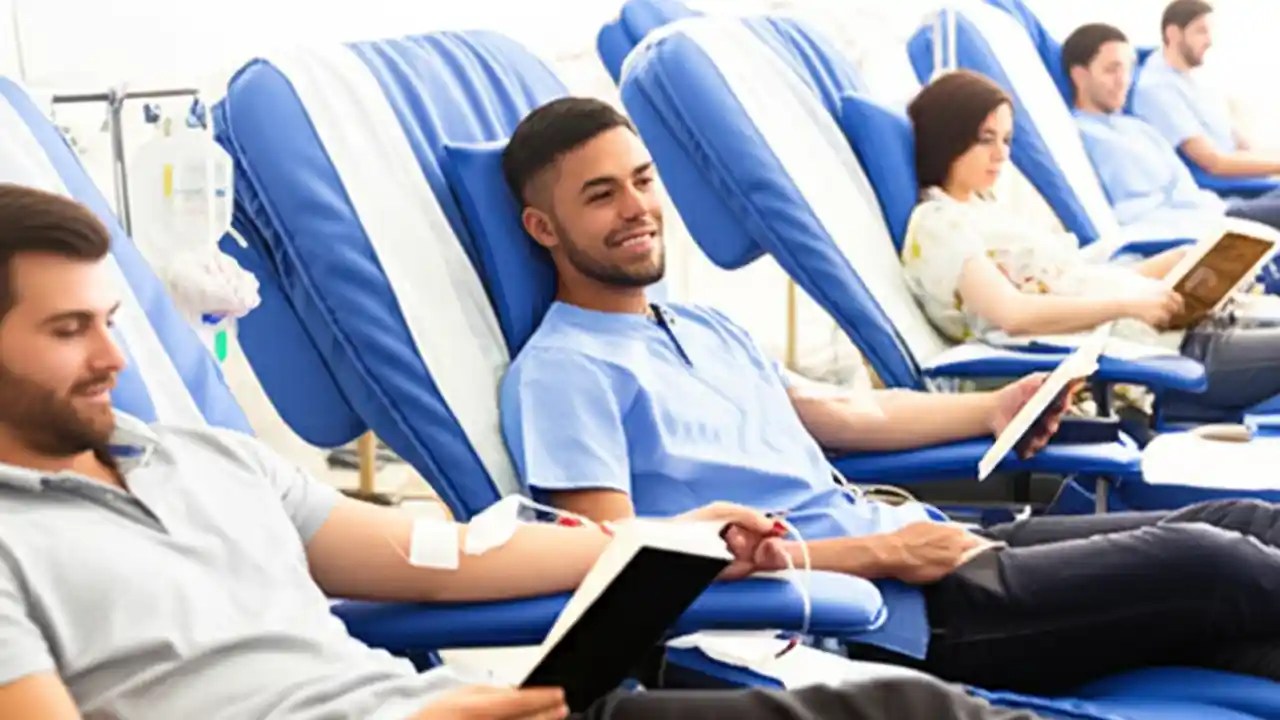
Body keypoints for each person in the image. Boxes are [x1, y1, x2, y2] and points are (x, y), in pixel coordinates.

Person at [0, 186, 1043, 720]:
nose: (111, 358)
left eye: (113, 321)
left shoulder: (206, 459)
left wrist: (652, 541)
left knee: (903, 711)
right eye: (68, 332)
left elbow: (439, 557)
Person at [499, 95, 1280, 695]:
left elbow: (846, 413)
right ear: (543, 226)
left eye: (642, 180)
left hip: (917, 547)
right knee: (1207, 562)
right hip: (867, 613)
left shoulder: (702, 325)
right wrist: (876, 552)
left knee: (1236, 528)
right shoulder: (563, 371)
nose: (637, 207)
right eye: (600, 196)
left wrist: (991, 408)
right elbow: (612, 564)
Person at [902, 69, 1280, 415]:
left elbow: (1075, 281)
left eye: (1006, 139)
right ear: (948, 135)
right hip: (1152, 357)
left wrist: (1171, 266)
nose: (1002, 154)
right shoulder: (940, 223)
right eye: (986, 139)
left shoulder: (986, 209)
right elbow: (1013, 315)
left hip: (1170, 330)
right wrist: (1129, 304)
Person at [1064, 22, 1280, 231]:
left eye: (1128, 70)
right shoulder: (1080, 135)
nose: (1124, 81)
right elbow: (1131, 214)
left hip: (1216, 209)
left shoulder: (1138, 128)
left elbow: (1186, 188)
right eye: (1112, 70)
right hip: (1197, 224)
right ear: (1080, 75)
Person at [1132, 0, 1280, 179]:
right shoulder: (1157, 89)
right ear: (1173, 34)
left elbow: (1235, 138)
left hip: (1244, 171)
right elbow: (1213, 163)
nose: (1210, 41)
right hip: (1221, 188)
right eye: (1201, 31)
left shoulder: (1191, 76)